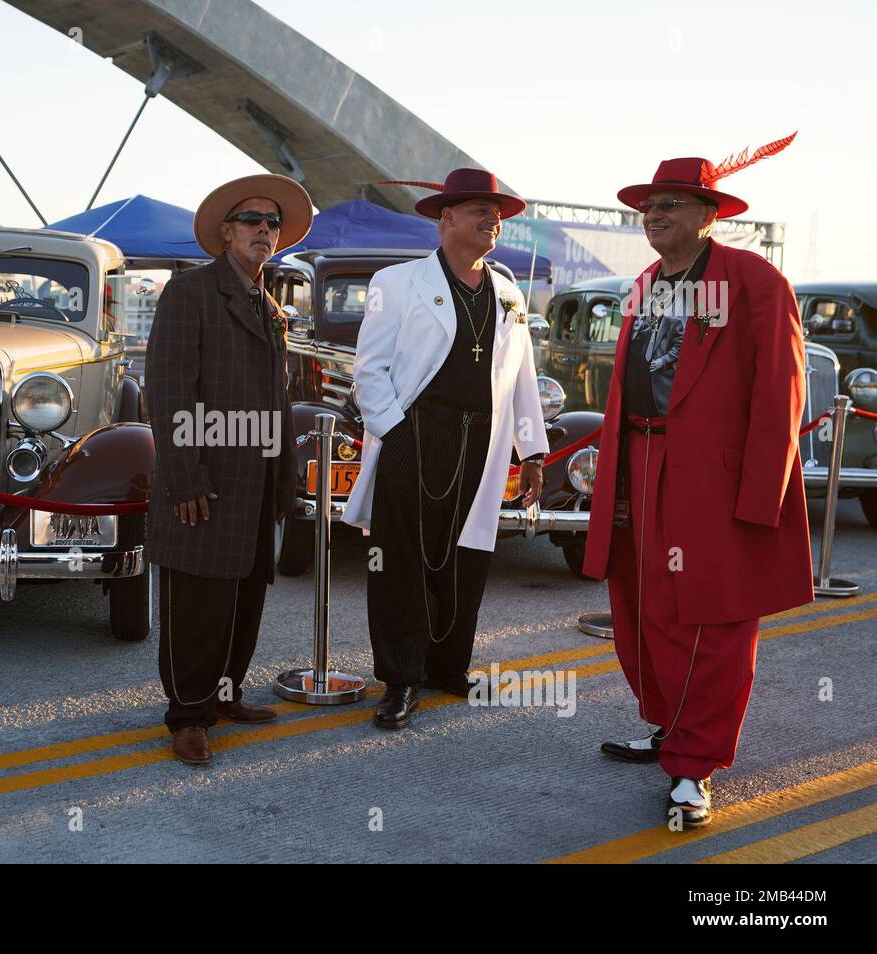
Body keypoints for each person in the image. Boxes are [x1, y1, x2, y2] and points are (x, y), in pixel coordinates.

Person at [583, 140, 812, 828]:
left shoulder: (752, 280)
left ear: (707, 213)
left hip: (711, 477)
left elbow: (783, 389)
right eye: (647, 206)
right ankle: (667, 726)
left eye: (668, 204)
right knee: (642, 602)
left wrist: (759, 496)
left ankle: (695, 766)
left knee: (711, 619)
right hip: (641, 467)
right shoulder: (645, 285)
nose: (653, 214)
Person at [342, 168, 548, 730]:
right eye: (480, 209)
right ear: (446, 218)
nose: (493, 219)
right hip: (416, 430)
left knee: (468, 556)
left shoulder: (508, 291)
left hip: (483, 437)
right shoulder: (398, 282)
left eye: (497, 211)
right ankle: (402, 677)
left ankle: (447, 667)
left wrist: (531, 450)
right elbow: (371, 370)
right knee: (401, 560)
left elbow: (523, 375)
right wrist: (396, 431)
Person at [144, 174, 311, 765]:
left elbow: (280, 399)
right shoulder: (189, 292)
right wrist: (184, 477)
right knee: (198, 601)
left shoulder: (269, 304)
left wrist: (285, 479)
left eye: (272, 223)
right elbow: (166, 391)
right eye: (252, 220)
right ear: (225, 231)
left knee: (243, 596)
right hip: (205, 477)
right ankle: (188, 715)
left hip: (255, 477)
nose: (264, 229)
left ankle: (225, 693)